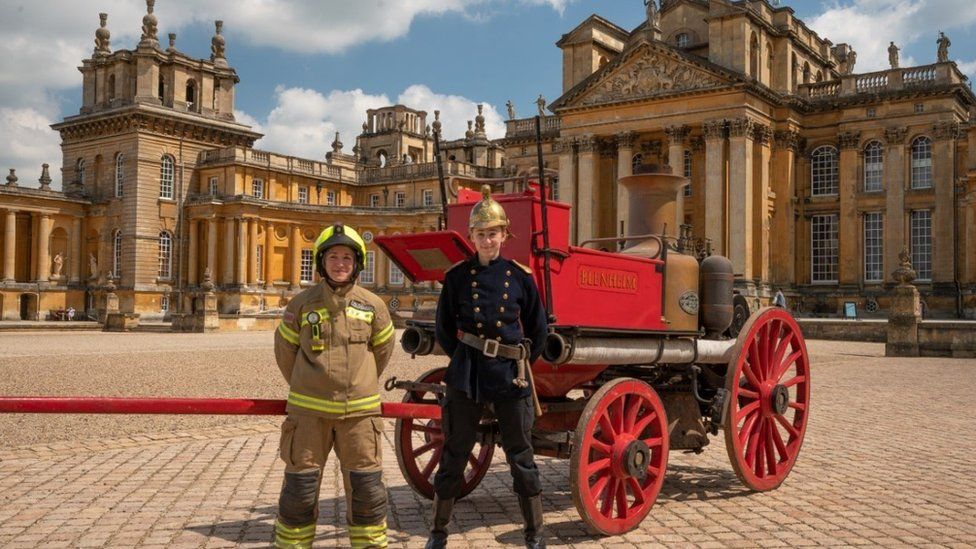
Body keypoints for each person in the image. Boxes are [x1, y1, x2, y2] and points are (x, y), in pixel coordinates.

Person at [427, 186, 549, 549]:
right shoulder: (457, 277)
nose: (487, 240)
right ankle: (438, 532)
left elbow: (539, 330)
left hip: (510, 377)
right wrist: (467, 356)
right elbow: (444, 330)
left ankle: (534, 533)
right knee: (455, 453)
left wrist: (520, 357)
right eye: (481, 234)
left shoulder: (520, 276)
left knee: (521, 457)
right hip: (468, 375)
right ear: (472, 238)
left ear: (503, 236)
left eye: (493, 233)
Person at [273, 223, 396, 549]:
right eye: (333, 257)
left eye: (346, 257)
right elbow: (285, 354)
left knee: (367, 493)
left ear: (357, 263)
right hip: (308, 414)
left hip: (360, 415)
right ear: (321, 263)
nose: (340, 264)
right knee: (299, 493)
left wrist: (360, 382)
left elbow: (382, 352)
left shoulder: (374, 306)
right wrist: (308, 384)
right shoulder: (300, 305)